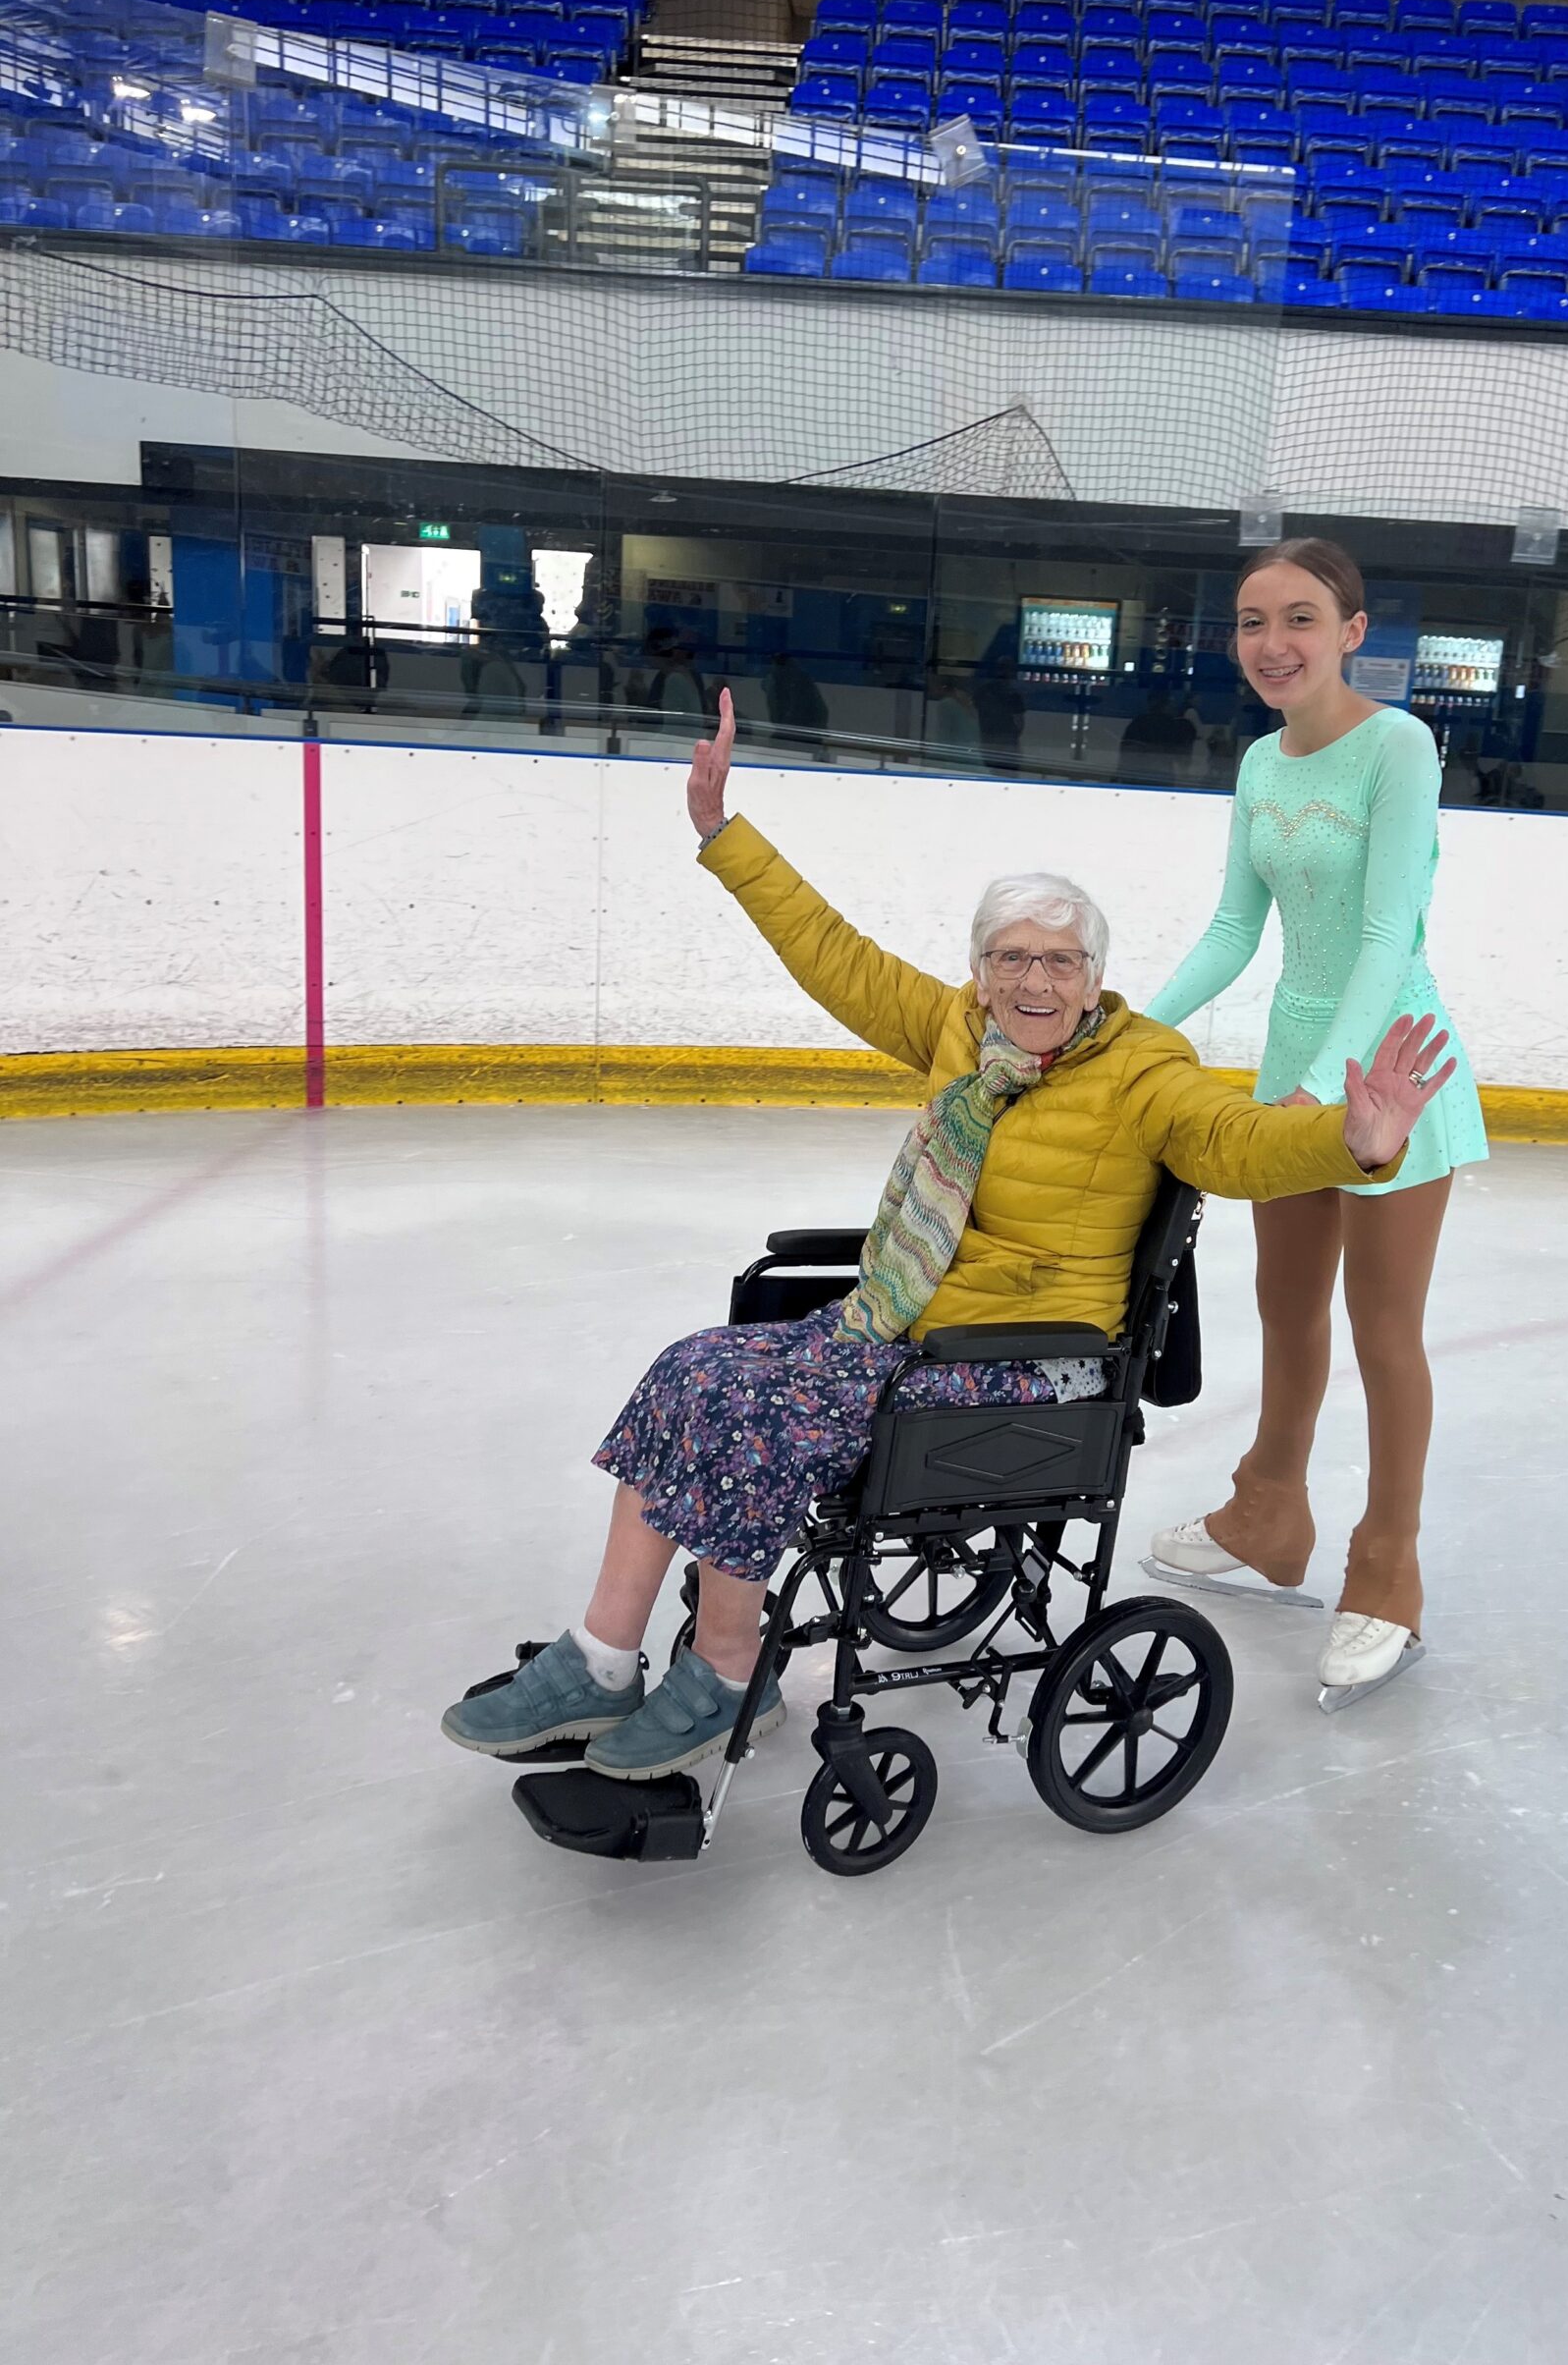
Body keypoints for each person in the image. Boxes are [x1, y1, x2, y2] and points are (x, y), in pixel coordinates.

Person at [442, 688, 1456, 1778]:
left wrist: (1352, 1146)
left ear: (1095, 979)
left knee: (756, 1407)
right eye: (1011, 959)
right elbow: (832, 953)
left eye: (1059, 961)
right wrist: (721, 835)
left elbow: (1237, 1142)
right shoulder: (956, 1032)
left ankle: (727, 1665)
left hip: (1023, 1362)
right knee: (692, 1368)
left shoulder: (1143, 1072)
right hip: (911, 1332)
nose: (1033, 979)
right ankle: (601, 1657)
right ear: (980, 974)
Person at [1142, 538, 1488, 1705]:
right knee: (1284, 1307)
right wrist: (1121, 1032)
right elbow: (1234, 933)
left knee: (1384, 1329)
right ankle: (1267, 1512)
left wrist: (1332, 1085)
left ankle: (1387, 1571)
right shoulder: (1256, 762)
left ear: (1351, 630)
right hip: (1297, 1060)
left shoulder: (1398, 745)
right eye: (1251, 621)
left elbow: (1388, 934)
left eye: (1299, 617)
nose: (1272, 643)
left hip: (1390, 1062)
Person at [1116, 685, 1199, 786]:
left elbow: (1125, 753)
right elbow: (1183, 759)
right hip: (1162, 778)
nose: (1173, 706)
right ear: (1166, 704)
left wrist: (1119, 775)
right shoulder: (1175, 726)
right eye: (1171, 702)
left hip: (1135, 778)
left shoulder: (1138, 722)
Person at [762, 645, 830, 757]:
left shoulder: (802, 682)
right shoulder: (773, 682)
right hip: (786, 734)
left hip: (806, 736)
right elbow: (776, 718)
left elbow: (821, 713)